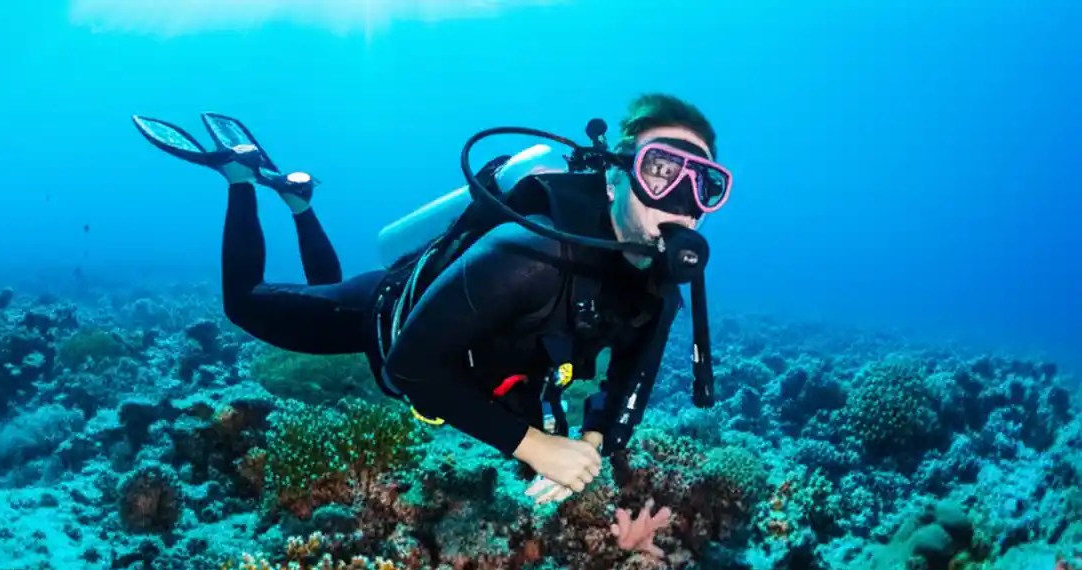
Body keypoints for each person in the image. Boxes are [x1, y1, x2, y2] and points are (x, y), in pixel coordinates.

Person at [133, 94, 732, 503]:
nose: (680, 200)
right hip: (384, 319)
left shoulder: (660, 286)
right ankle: (240, 178)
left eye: (703, 184)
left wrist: (588, 445)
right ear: (614, 175)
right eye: (660, 171)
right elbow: (410, 368)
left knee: (317, 289)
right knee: (246, 304)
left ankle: (300, 202)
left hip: (494, 367)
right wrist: (535, 446)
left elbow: (628, 387)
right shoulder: (528, 253)